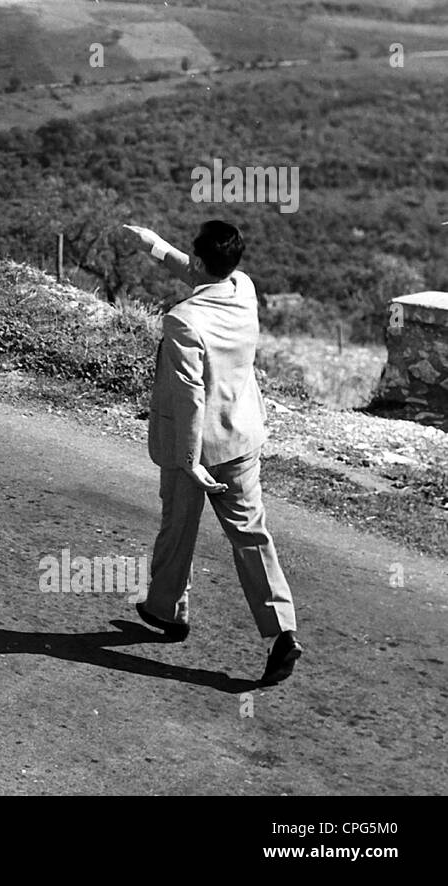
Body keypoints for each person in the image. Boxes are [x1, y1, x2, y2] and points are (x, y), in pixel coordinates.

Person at [122, 219, 302, 685]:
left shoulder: (184, 320)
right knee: (251, 536)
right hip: (240, 440)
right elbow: (201, 274)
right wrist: (156, 247)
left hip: (195, 447)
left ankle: (169, 610)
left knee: (178, 525)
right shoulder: (243, 288)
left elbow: (189, 397)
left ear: (201, 260)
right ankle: (281, 632)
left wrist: (190, 462)